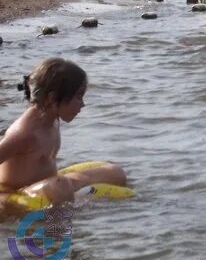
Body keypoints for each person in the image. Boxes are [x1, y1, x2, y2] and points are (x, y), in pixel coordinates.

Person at [0, 58, 127, 207]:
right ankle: (58, 229)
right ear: (52, 98)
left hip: (50, 182)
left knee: (115, 172)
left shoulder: (53, 119)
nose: (83, 104)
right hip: (15, 194)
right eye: (78, 97)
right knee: (61, 186)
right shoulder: (24, 133)